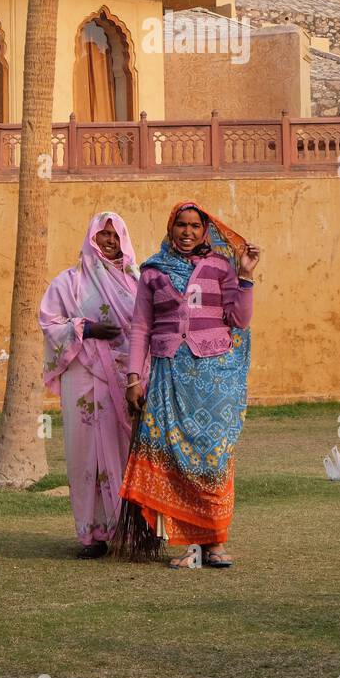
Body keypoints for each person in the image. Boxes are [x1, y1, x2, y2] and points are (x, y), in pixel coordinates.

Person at [120, 202, 260, 569]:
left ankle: (215, 543)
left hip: (215, 379)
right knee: (178, 461)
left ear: (204, 230)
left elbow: (239, 320)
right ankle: (193, 547)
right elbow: (140, 328)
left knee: (213, 458)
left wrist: (245, 277)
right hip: (169, 376)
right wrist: (134, 377)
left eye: (195, 226)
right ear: (171, 228)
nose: (187, 232)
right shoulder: (152, 271)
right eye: (181, 225)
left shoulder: (220, 268)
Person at [38, 212, 143, 558]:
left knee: (124, 450)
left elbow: (149, 328)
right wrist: (87, 329)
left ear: (124, 239)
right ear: (91, 238)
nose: (109, 241)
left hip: (127, 380)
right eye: (103, 234)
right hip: (83, 375)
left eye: (115, 235)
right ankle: (93, 534)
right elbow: (49, 323)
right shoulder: (69, 283)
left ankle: (130, 531)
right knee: (86, 455)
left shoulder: (138, 282)